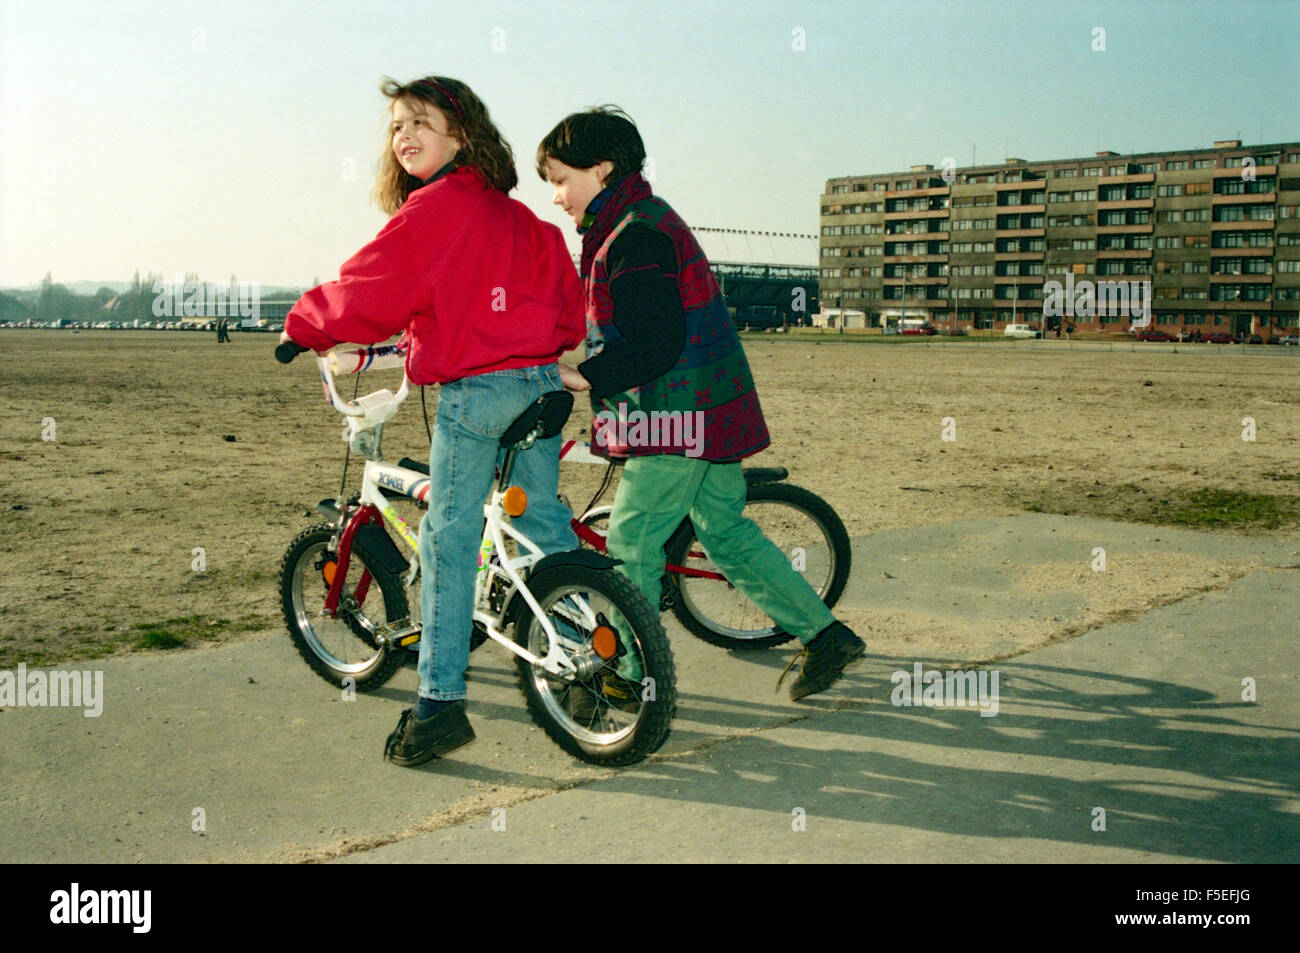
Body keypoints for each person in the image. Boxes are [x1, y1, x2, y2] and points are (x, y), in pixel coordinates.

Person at [281, 76, 585, 765]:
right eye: (396, 127)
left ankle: (439, 705)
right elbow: (567, 308)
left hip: (477, 395)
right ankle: (593, 646)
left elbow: (370, 286)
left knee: (449, 541)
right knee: (541, 523)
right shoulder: (523, 220)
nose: (403, 136)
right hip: (539, 383)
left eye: (419, 121)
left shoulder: (433, 212)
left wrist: (303, 324)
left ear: (462, 133)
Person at [536, 107, 864, 702]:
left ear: (603, 168)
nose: (555, 196)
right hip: (709, 409)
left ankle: (626, 676)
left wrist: (585, 375)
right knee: (724, 531)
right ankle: (827, 636)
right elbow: (646, 326)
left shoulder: (633, 236)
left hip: (676, 418)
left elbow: (656, 342)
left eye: (560, 178)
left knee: (632, 542)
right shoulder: (638, 222)